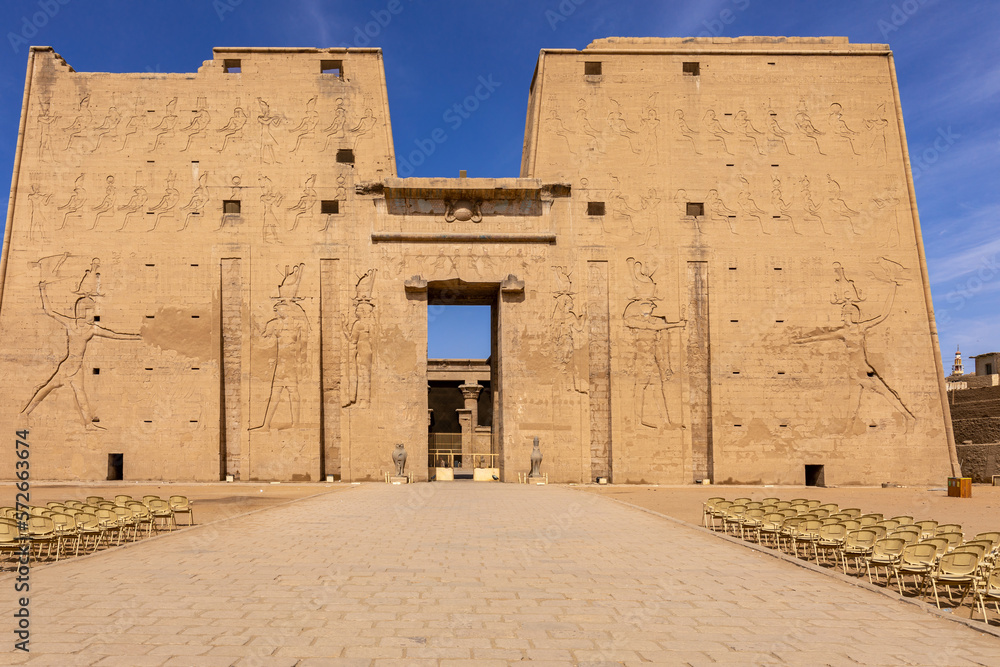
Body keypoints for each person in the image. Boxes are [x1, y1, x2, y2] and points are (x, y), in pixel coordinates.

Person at [22, 285, 141, 428]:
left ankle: (88, 424)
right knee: (48, 388)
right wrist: (43, 290)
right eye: (91, 311)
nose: (93, 315)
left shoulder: (91, 329)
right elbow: (49, 311)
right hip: (67, 367)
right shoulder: (70, 324)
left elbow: (114, 335)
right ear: (83, 312)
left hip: (77, 368)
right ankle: (25, 413)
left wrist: (136, 337)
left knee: (81, 395)